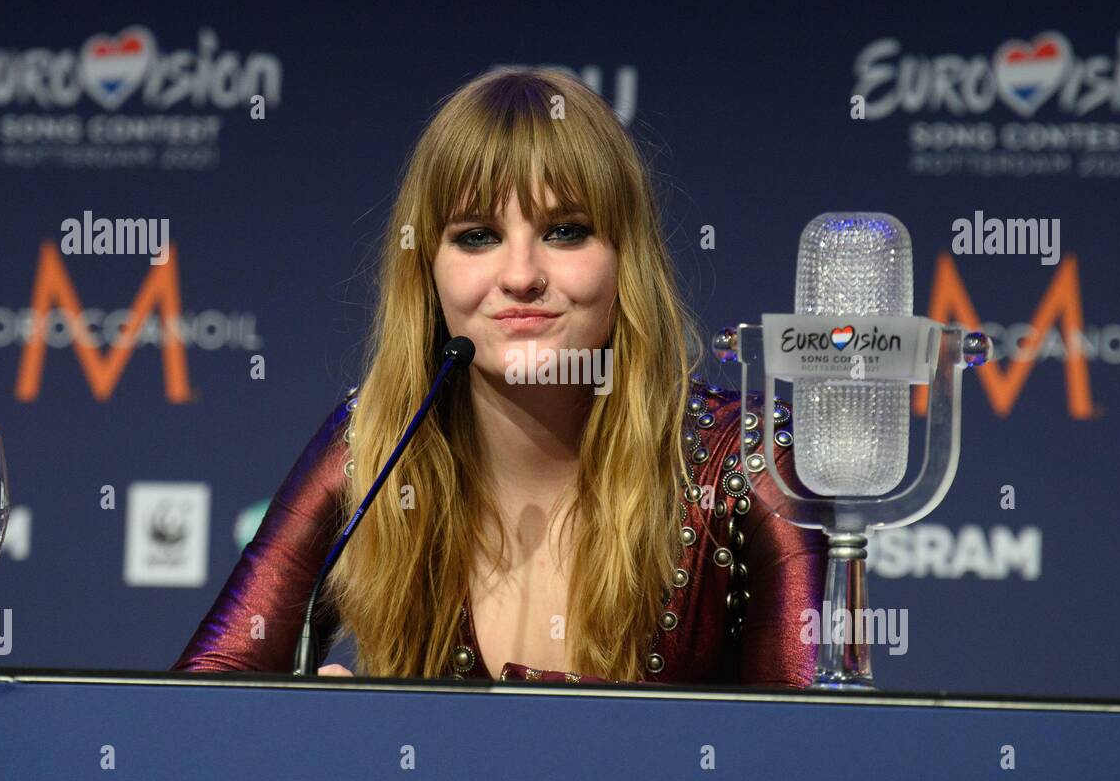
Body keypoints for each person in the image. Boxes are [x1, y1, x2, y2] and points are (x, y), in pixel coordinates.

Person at [173, 67, 827, 686]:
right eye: (478, 235)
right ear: (426, 271)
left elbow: (808, 752)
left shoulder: (749, 460)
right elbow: (197, 705)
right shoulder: (373, 440)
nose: (520, 275)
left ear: (626, 260)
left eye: (566, 231)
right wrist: (317, 737)